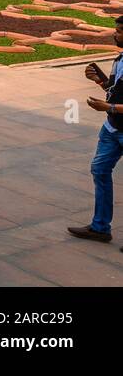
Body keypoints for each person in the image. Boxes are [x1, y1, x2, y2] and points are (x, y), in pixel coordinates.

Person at [69, 19, 123, 245]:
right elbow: (114, 91)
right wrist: (99, 80)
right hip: (112, 128)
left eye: (120, 31)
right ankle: (100, 227)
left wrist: (108, 107)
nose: (116, 34)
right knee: (99, 170)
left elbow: (113, 102)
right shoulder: (119, 60)